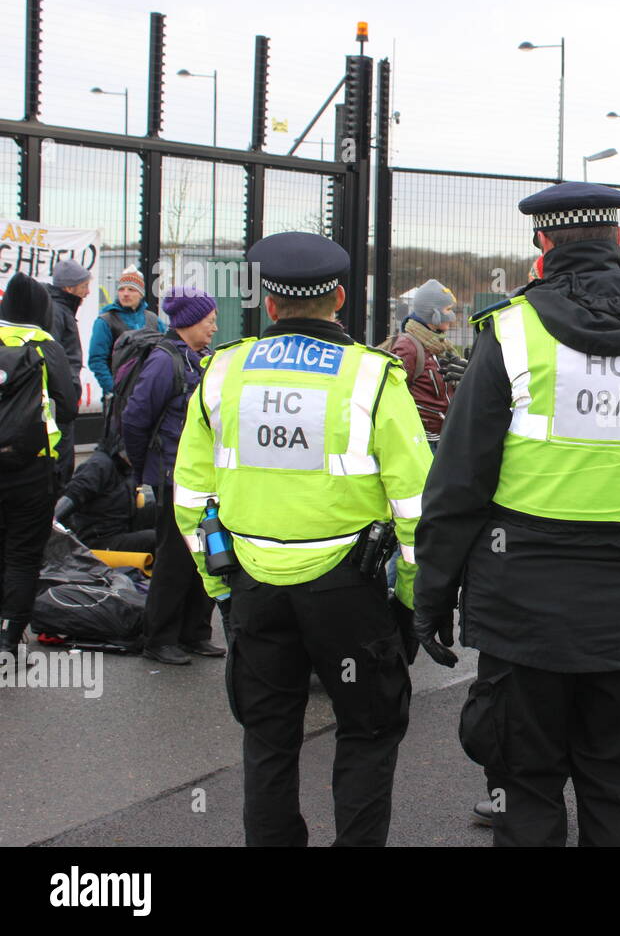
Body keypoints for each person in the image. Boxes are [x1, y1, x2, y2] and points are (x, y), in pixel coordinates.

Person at [414, 182, 620, 847]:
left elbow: (461, 481)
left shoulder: (510, 330)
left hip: (522, 605)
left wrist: (433, 594)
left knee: (525, 790)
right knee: (618, 790)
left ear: (543, 248)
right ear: (618, 242)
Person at [172, 232, 431, 846]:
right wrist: (413, 600)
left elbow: (190, 499)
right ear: (339, 297)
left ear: (267, 303)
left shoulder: (221, 371)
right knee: (367, 734)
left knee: (266, 737)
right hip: (348, 586)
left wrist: (221, 587)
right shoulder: (371, 376)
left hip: (253, 583)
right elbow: (420, 505)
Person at [123, 286, 220, 665]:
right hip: (171, 474)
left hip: (202, 476)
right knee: (176, 557)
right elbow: (136, 418)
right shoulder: (165, 361)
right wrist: (142, 467)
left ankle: (195, 632)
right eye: (209, 321)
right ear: (188, 323)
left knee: (207, 553)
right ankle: (160, 637)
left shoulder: (203, 358)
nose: (214, 328)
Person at [0, 273, 78, 660]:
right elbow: (68, 405)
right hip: (31, 468)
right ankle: (7, 639)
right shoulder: (45, 346)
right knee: (23, 555)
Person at [389, 278, 466, 451]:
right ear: (433, 313)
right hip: (424, 441)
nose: (452, 316)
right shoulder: (408, 348)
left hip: (445, 436)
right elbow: (394, 395)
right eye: (447, 310)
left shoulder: (441, 346)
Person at [53, 438, 156, 553]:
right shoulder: (98, 465)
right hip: (100, 539)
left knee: (164, 511)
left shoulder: (126, 467)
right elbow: (73, 494)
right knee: (155, 539)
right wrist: (52, 521)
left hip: (123, 525)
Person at [87, 266, 164, 399]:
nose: (125, 293)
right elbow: (97, 360)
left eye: (131, 289)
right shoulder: (106, 321)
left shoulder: (153, 320)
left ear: (141, 293)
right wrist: (113, 390)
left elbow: (165, 352)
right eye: (121, 289)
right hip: (119, 397)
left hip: (149, 394)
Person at [48, 259, 91, 486]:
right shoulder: (57, 312)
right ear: (69, 288)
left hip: (62, 402)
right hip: (59, 404)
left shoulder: (61, 310)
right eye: (84, 286)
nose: (88, 291)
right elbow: (54, 358)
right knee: (60, 466)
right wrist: (67, 391)